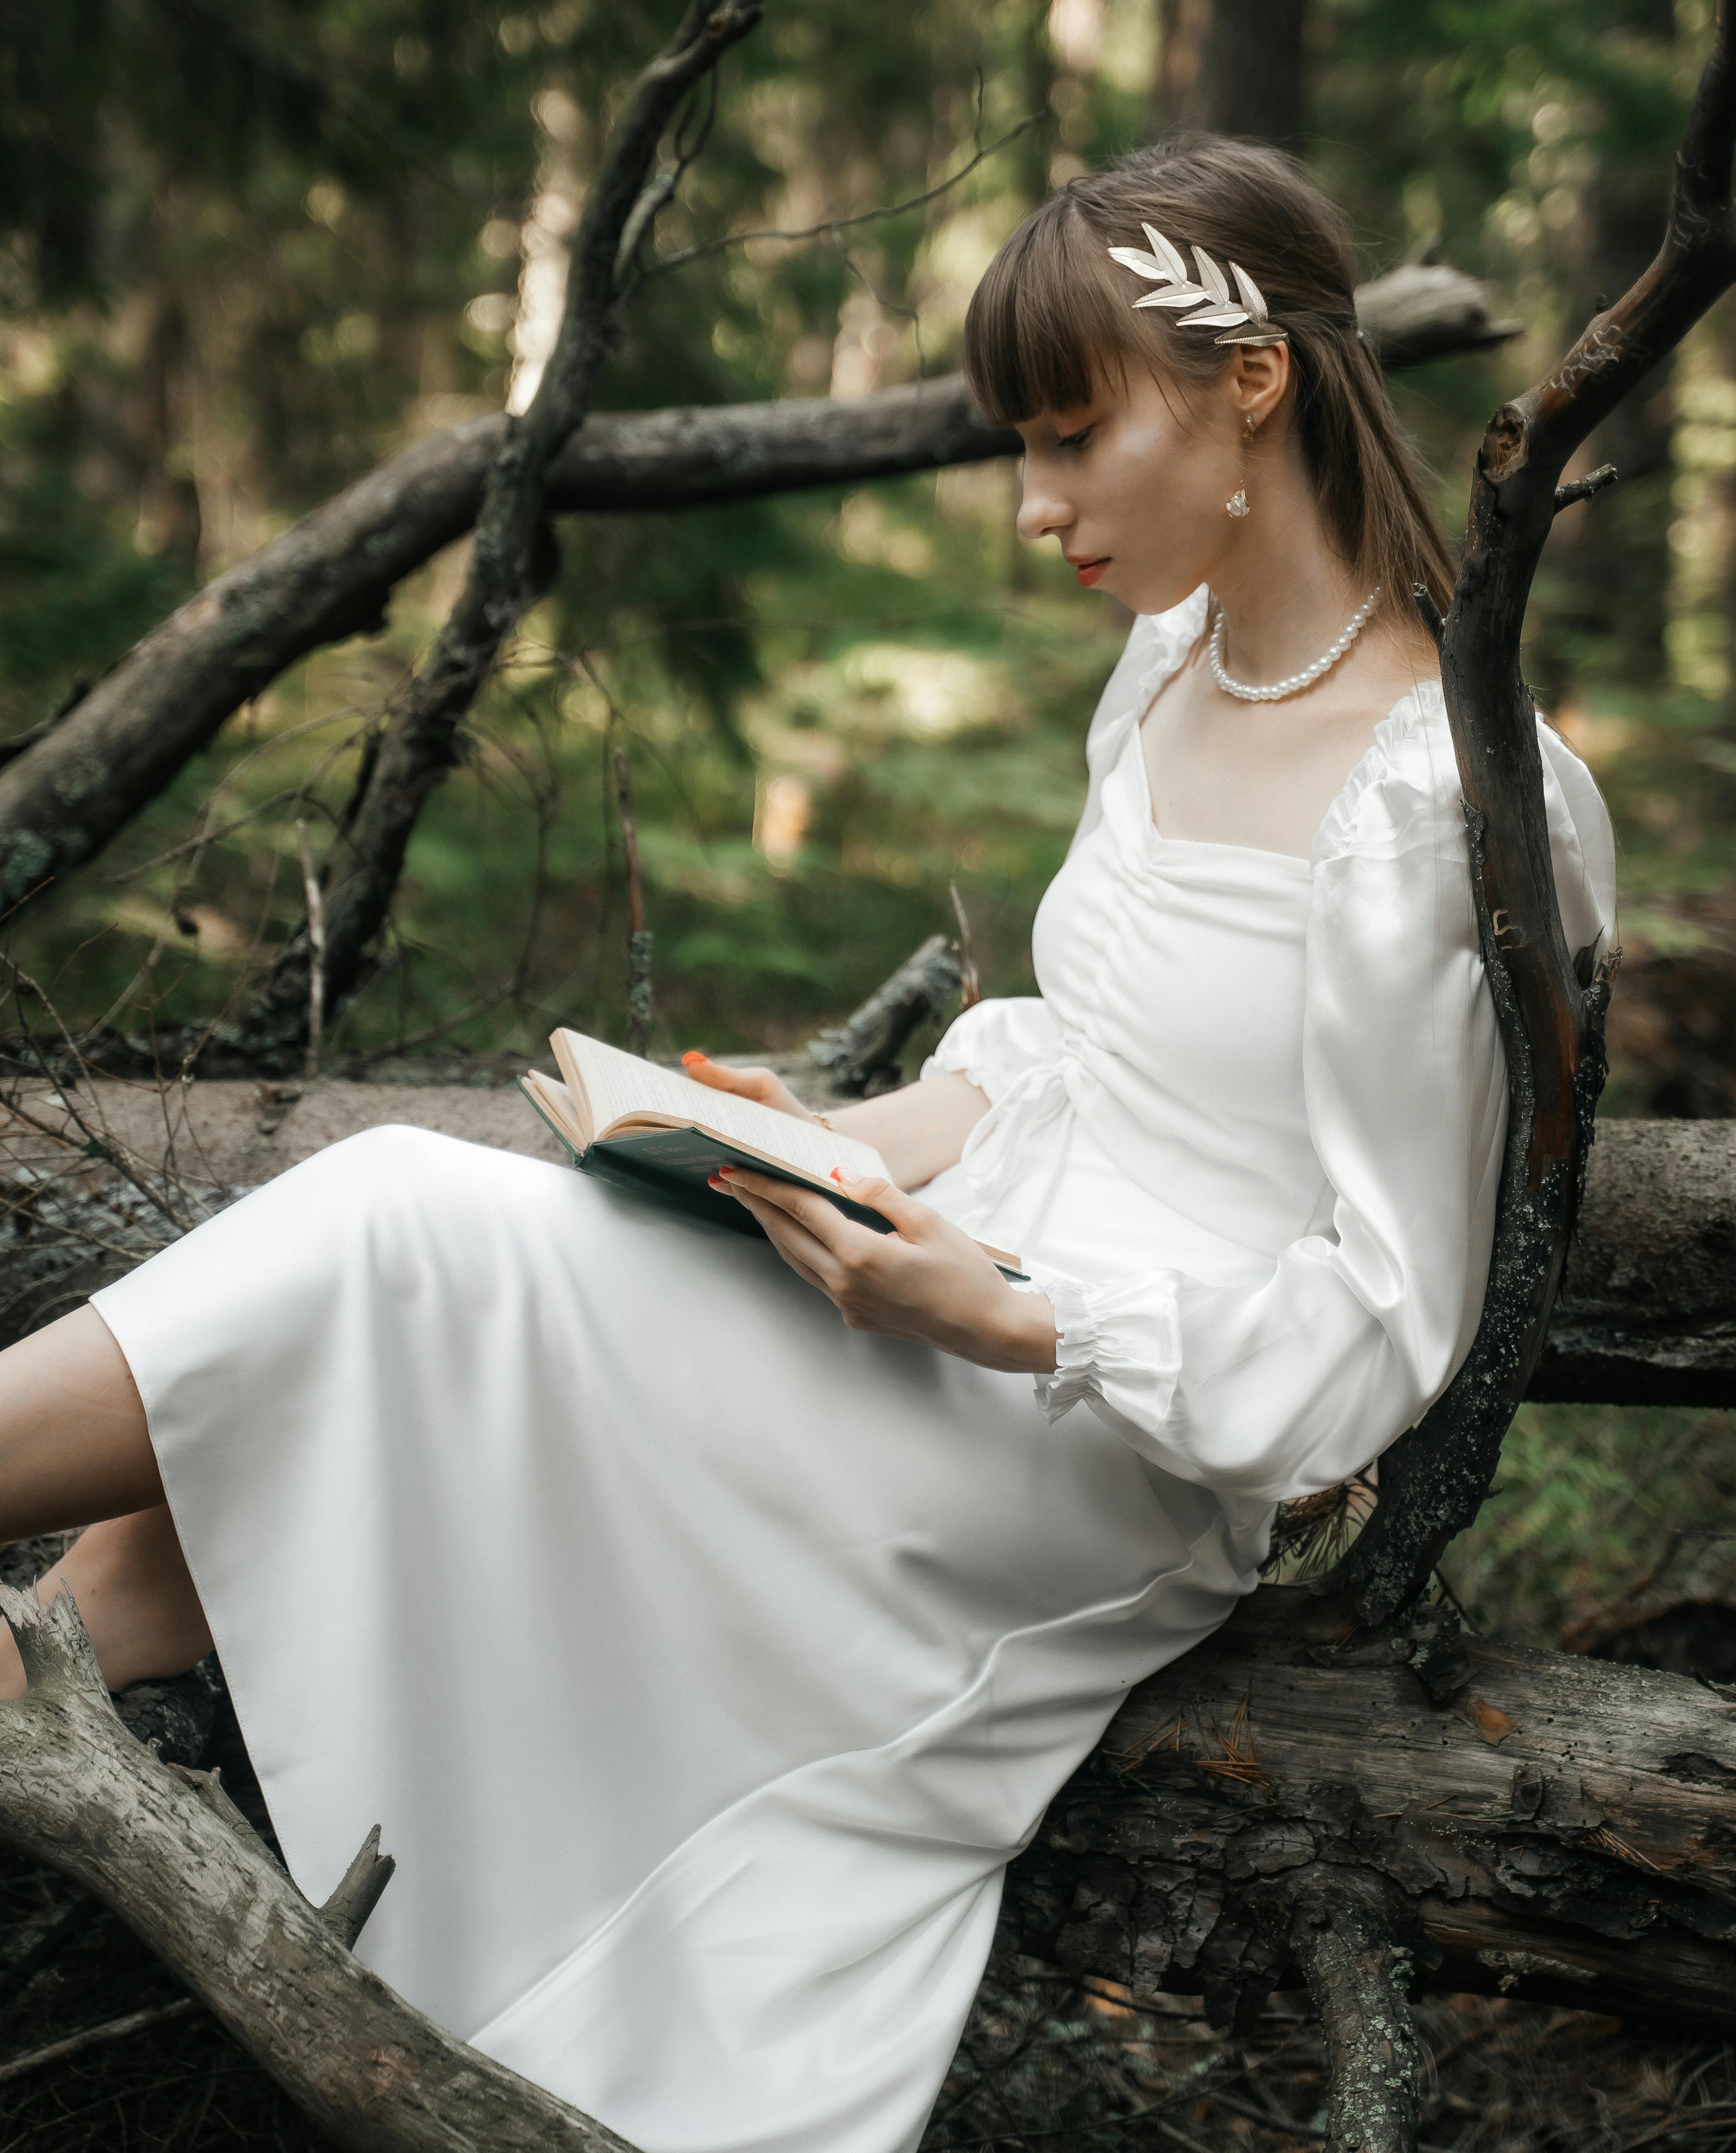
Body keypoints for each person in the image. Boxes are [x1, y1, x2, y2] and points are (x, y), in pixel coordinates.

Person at [0, 134, 1613, 2153]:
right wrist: (846, 1133)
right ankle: (38, 1684)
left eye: (1066, 436)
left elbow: (1386, 1323)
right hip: (934, 1289)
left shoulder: (1448, 805)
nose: (1033, 510)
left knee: (398, 1229)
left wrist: (1008, 1311)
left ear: (1251, 387)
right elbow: (1077, 1053)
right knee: (261, 1427)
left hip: (1104, 1437)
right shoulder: (1172, 666)